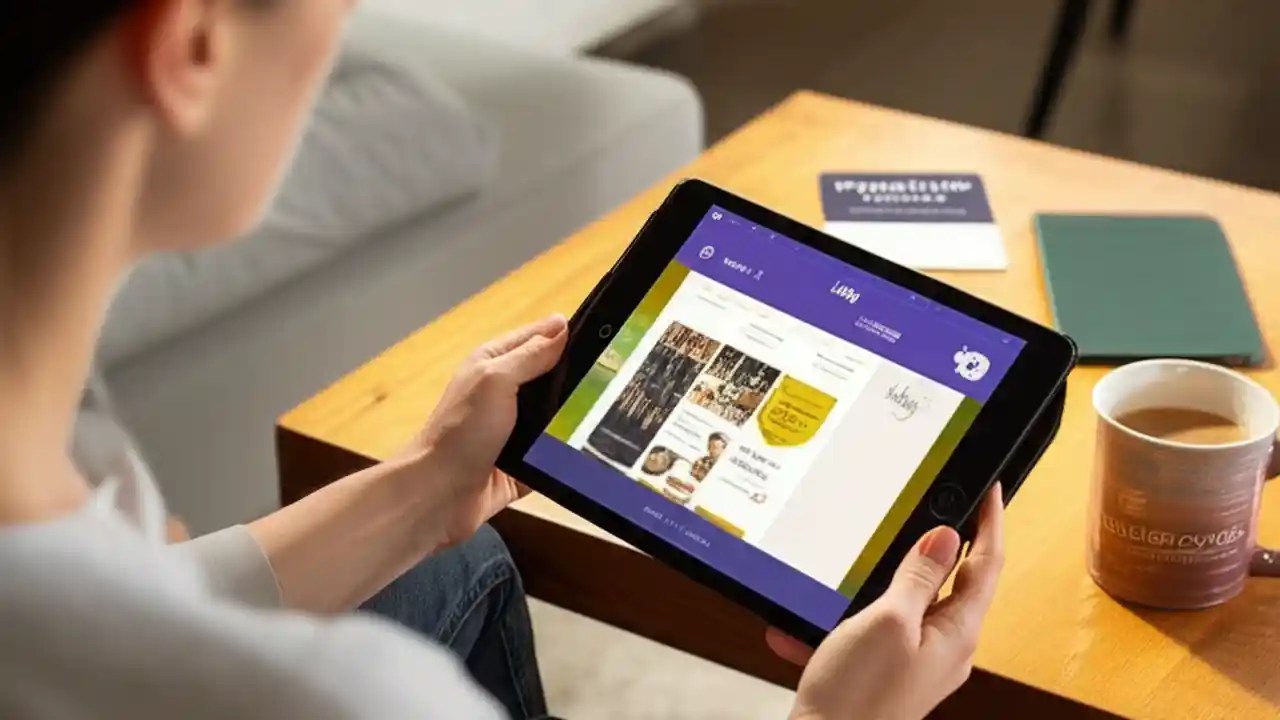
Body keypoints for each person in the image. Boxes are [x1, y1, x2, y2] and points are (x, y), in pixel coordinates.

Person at [0, 2, 1006, 718]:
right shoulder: (350, 698)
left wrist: (426, 488)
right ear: (193, 45)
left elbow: (128, 596)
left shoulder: (60, 443)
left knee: (461, 555)